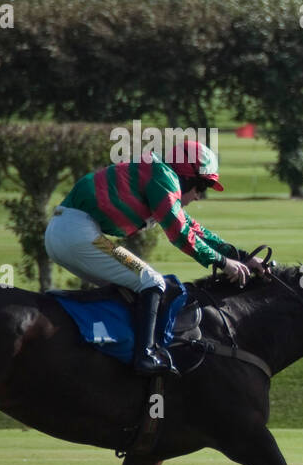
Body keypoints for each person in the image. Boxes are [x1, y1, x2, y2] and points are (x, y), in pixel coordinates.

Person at [44, 139, 266, 376]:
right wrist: (222, 262)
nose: (200, 196)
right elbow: (179, 233)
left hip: (69, 231)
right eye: (201, 187)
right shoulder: (163, 176)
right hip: (77, 233)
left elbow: (192, 227)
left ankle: (109, 352)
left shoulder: (159, 173)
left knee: (131, 288)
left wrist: (240, 256)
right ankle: (145, 356)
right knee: (152, 281)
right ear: (188, 177)